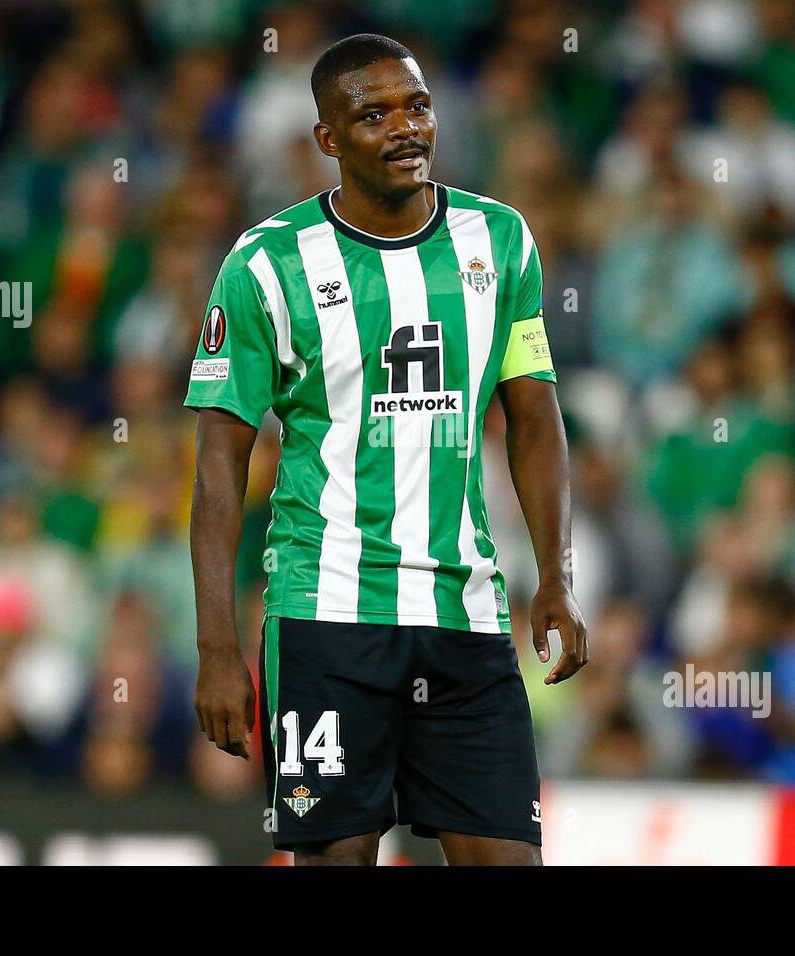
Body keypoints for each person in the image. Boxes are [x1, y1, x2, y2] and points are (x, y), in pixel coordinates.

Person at [184, 34, 587, 866]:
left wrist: (555, 574)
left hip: (465, 613)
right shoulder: (266, 265)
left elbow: (536, 419)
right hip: (326, 617)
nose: (407, 128)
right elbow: (220, 465)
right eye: (374, 115)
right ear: (328, 139)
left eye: (418, 105)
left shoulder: (499, 240)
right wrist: (218, 647)